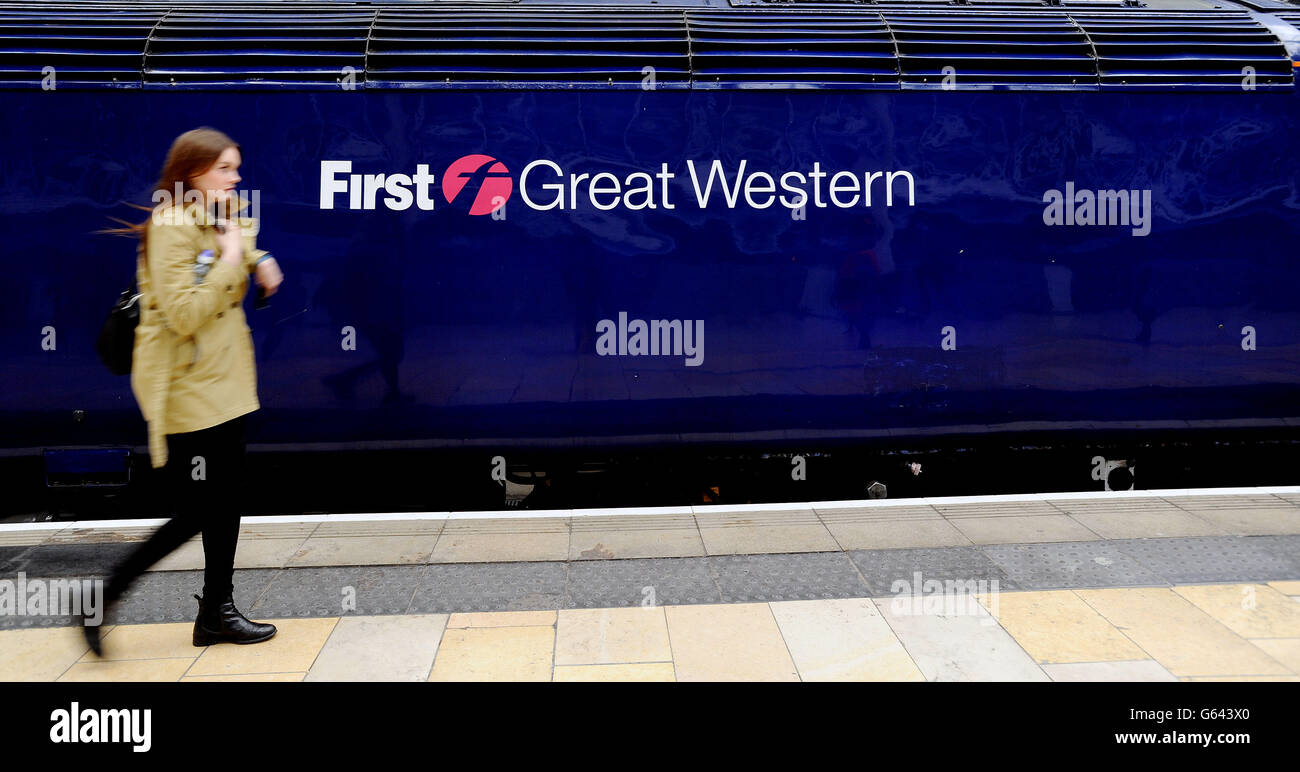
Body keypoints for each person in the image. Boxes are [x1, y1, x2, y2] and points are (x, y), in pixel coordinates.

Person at [84, 127, 285, 656]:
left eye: (236, 167)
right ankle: (105, 596)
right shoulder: (171, 226)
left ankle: (217, 612)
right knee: (202, 507)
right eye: (225, 168)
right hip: (188, 386)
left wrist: (256, 257)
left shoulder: (223, 214)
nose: (236, 177)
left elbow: (234, 252)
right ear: (192, 173)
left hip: (227, 379)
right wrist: (233, 257)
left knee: (227, 501)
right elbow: (183, 313)